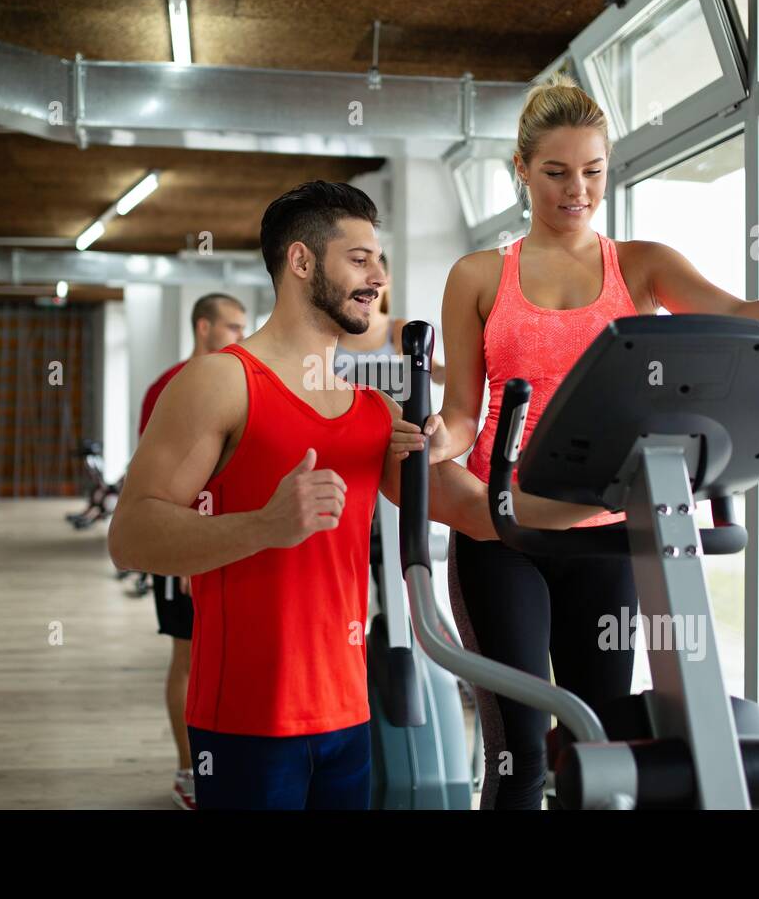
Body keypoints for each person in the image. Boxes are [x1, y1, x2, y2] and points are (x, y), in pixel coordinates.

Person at [419, 74, 759, 810]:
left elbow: (742, 319)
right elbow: (463, 411)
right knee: (518, 750)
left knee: (600, 746)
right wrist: (435, 438)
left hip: (610, 537)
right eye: (555, 172)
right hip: (506, 529)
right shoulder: (480, 275)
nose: (576, 190)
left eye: (592, 171)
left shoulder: (640, 264)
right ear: (520, 170)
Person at [108, 180, 574, 810]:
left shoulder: (374, 413)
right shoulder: (221, 383)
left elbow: (478, 511)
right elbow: (131, 535)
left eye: (380, 261)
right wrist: (264, 526)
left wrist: (598, 495)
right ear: (301, 262)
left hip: (347, 715)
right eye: (359, 259)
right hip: (245, 723)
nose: (378, 276)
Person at [136, 292, 247, 810]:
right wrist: (183, 551)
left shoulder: (239, 382)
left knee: (225, 655)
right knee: (187, 655)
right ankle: (190, 770)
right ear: (203, 327)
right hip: (184, 546)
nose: (241, 337)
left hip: (228, 544)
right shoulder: (172, 386)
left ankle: (225, 763)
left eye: (246, 326)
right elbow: (157, 489)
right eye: (232, 326)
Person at [333, 253, 446, 392]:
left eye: (375, 280)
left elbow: (434, 372)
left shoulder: (399, 330)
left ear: (387, 281)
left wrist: (459, 369)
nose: (367, 286)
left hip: (392, 413)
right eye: (361, 278)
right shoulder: (332, 329)